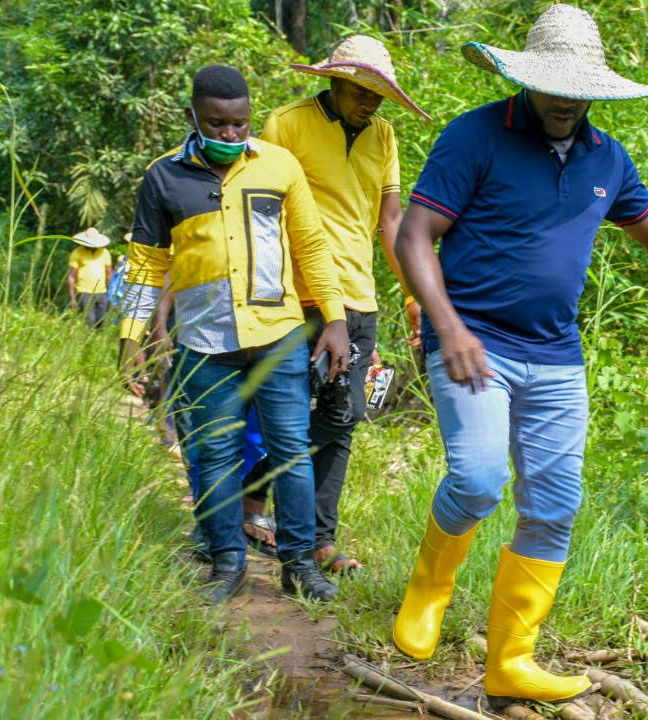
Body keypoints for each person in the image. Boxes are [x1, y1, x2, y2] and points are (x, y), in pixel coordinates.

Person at [391, 4, 648, 706]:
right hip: (471, 339)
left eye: (577, 87)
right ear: (528, 79)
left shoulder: (605, 157)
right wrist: (449, 326)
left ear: (595, 88)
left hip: (555, 355)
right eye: (553, 84)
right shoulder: (474, 136)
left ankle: (512, 660)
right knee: (475, 478)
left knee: (555, 504)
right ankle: (429, 586)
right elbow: (415, 236)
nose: (565, 99)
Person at [123, 65, 350, 604]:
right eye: (216, 123)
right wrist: (132, 339)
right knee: (215, 452)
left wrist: (336, 318)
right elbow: (146, 266)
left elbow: (311, 246)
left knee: (290, 449)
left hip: (278, 337)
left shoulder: (279, 165)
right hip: (205, 344)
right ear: (192, 118)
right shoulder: (163, 178)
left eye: (240, 123)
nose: (229, 134)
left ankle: (299, 565)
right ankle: (227, 561)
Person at [261, 35, 429, 574]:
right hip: (297, 294)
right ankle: (249, 511)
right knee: (287, 412)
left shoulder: (384, 136)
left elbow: (392, 223)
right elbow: (261, 213)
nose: (370, 102)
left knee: (343, 415)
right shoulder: (286, 124)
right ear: (334, 81)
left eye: (379, 93)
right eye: (361, 90)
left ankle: (315, 537)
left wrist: (412, 292)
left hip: (359, 297)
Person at [67, 227, 113, 328]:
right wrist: (72, 298)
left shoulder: (105, 253)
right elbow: (71, 277)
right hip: (84, 291)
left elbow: (109, 274)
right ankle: (85, 339)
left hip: (101, 291)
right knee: (89, 319)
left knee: (102, 319)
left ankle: (98, 341)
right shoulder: (77, 253)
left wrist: (111, 294)